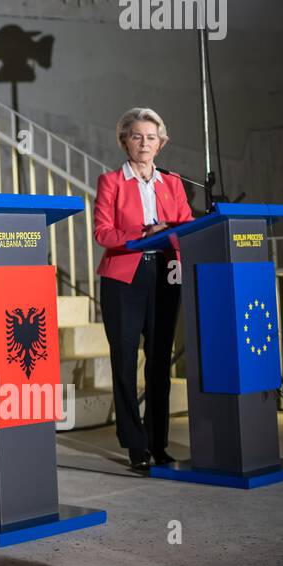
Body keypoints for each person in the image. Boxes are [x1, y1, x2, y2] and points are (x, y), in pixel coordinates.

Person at [93, 107, 193, 471]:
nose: (144, 143)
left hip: (166, 276)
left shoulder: (175, 183)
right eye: (137, 136)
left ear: (161, 144)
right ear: (124, 141)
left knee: (158, 361)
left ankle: (158, 442)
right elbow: (103, 232)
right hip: (123, 278)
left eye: (151, 137)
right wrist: (142, 234)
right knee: (124, 361)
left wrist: (171, 237)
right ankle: (135, 444)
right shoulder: (111, 182)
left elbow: (187, 227)